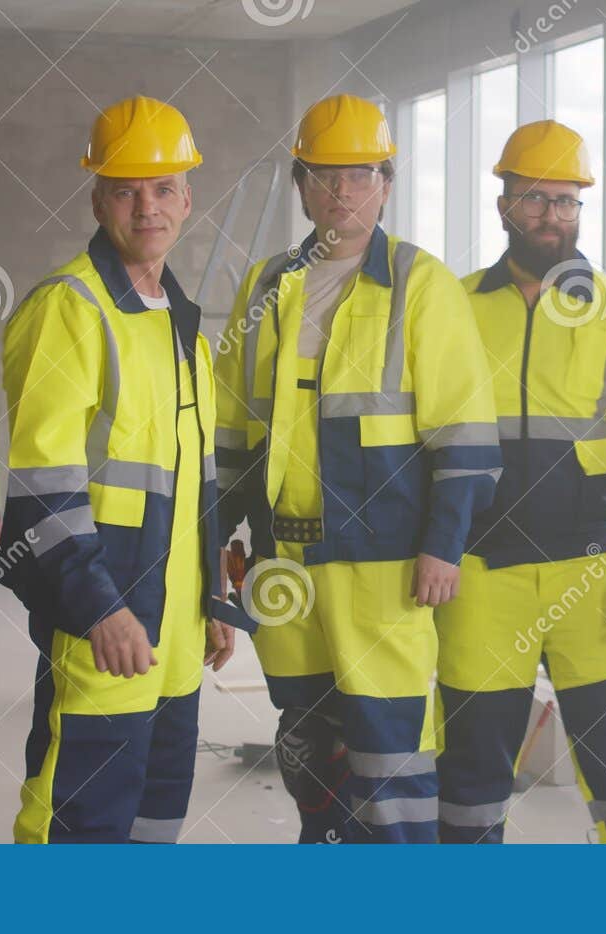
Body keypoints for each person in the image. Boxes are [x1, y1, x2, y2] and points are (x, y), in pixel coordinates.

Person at [214, 93, 501, 843]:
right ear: (300, 185)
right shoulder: (267, 285)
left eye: (360, 174)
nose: (341, 190)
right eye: (324, 174)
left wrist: (445, 544)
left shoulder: (419, 283)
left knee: (390, 748)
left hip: (383, 564)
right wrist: (217, 544)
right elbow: (233, 431)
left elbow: (465, 434)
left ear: (386, 185)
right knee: (308, 742)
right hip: (284, 561)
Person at [434, 120, 606, 844]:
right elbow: (428, 443)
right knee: (471, 770)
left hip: (590, 575)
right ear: (504, 205)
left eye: (567, 200)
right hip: (479, 578)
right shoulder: (453, 308)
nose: (552, 215)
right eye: (535, 199)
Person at [0, 96, 238, 844]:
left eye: (163, 189)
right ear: (98, 201)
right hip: (107, 620)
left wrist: (213, 593)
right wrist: (98, 607)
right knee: (78, 826)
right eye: (126, 191)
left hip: (176, 633)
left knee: (154, 825)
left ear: (187, 199)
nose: (147, 208)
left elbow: (193, 481)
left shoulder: (181, 324)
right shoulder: (71, 308)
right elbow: (44, 488)